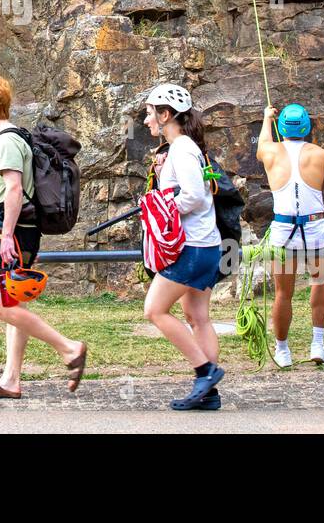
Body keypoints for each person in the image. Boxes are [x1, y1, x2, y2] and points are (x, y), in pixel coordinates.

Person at [0, 76, 87, 400]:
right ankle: (11, 380)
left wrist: (5, 235)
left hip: (14, 232)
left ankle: (69, 348)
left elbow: (15, 189)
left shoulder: (6, 141)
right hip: (20, 231)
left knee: (2, 308)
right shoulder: (14, 136)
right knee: (14, 302)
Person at [140, 83, 226, 410]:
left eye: (150, 113)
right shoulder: (184, 148)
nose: (147, 120)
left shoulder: (181, 148)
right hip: (206, 246)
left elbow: (192, 196)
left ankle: (205, 371)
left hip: (192, 249)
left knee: (155, 310)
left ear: (166, 114)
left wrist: (160, 207)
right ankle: (209, 395)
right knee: (197, 316)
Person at [255, 103, 324, 367]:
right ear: (307, 126)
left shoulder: (270, 152)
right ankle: (317, 344)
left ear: (281, 127)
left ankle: (282, 351)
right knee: (319, 282)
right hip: (315, 228)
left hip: (283, 230)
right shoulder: (321, 155)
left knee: (284, 293)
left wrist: (265, 118)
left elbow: (263, 142)